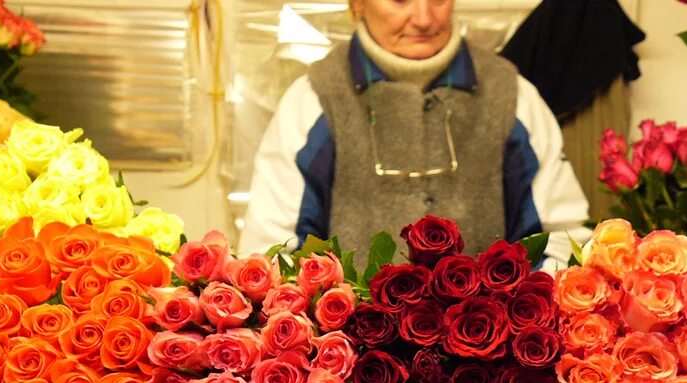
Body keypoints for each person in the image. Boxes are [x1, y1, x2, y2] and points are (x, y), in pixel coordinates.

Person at [239, 0, 590, 270]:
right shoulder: (314, 98)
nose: (424, 19)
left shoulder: (511, 94)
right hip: (349, 359)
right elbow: (270, 249)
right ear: (358, 4)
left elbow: (560, 236)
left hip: (491, 360)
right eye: (400, 0)